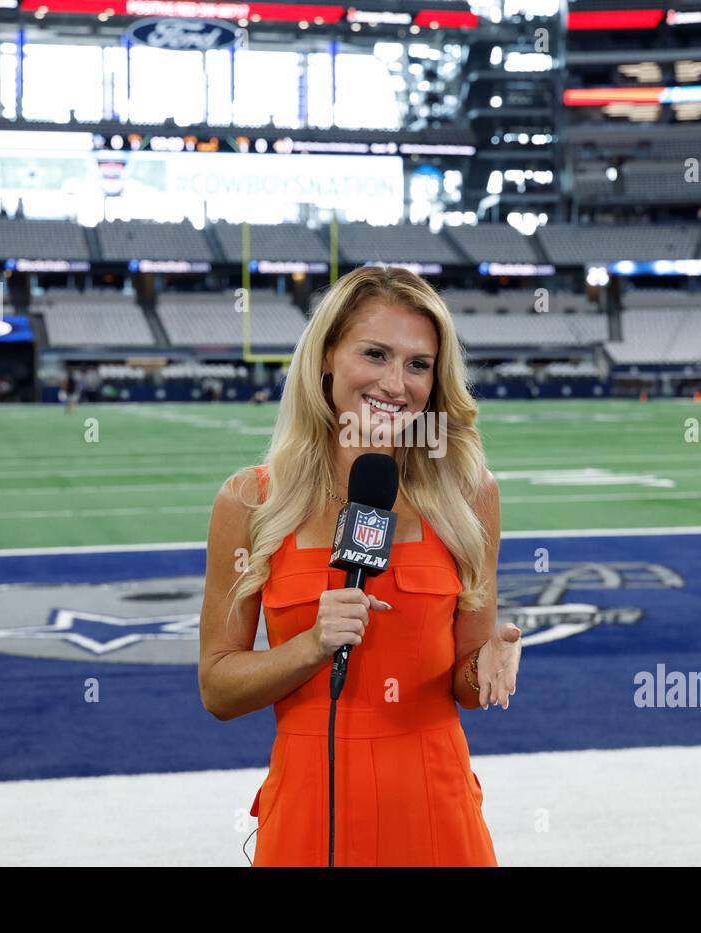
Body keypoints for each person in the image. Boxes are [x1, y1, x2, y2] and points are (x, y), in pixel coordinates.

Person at [198, 266, 522, 867]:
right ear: (325, 357)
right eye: (375, 354)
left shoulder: (469, 495)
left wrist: (487, 669)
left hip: (434, 806)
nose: (396, 384)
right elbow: (218, 688)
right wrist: (310, 646)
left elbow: (463, 683)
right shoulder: (249, 501)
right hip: (307, 810)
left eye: (419, 364)